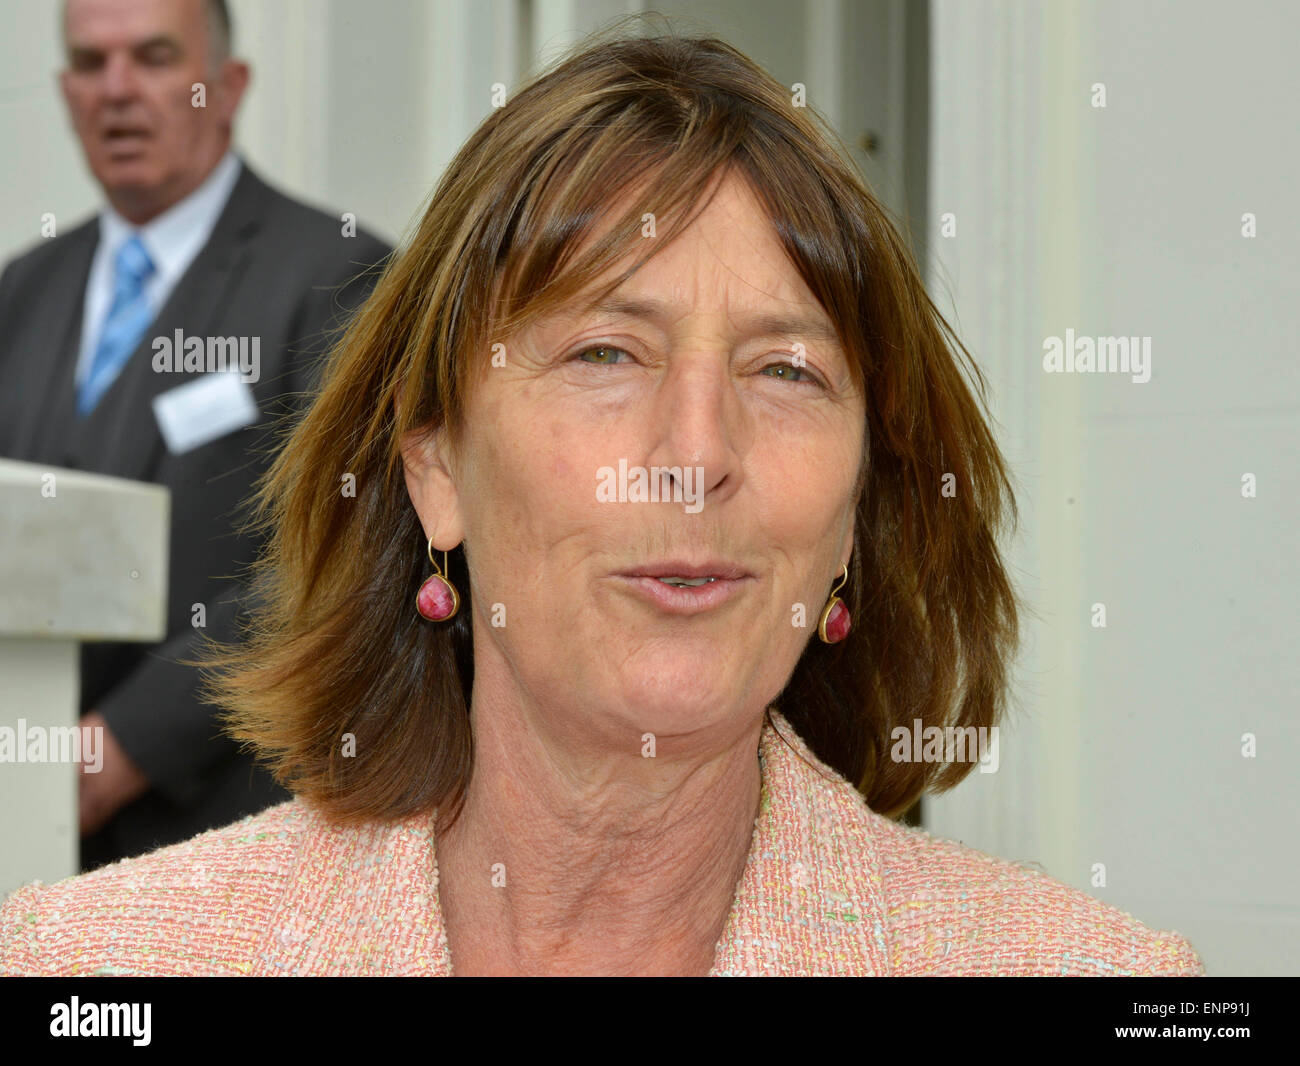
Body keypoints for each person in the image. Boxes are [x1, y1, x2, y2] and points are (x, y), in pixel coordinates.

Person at [0, 24, 1202, 976]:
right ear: (434, 471)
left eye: (785, 371)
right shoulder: (91, 965)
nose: (694, 453)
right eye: (604, 354)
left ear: (854, 516)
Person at [0, 0, 391, 872]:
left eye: (153, 56)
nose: (118, 91)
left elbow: (340, 551)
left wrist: (124, 747)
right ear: (65, 93)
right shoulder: (25, 288)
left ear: (230, 83)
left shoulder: (337, 275)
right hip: (26, 834)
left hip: (229, 832)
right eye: (90, 64)